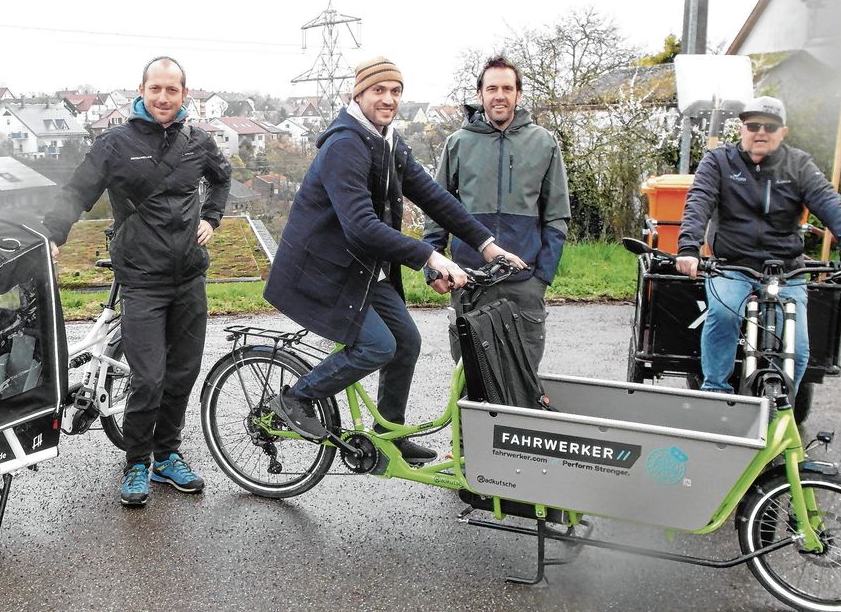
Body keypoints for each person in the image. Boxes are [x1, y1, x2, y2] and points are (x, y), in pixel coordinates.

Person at [263, 56, 526, 464]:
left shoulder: (385, 139)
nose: (388, 99)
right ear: (359, 94)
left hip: (361, 269)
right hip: (324, 270)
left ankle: (388, 433)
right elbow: (361, 227)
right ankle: (296, 397)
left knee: (408, 341)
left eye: (395, 91)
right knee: (377, 346)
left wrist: (488, 245)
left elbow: (434, 197)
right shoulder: (345, 144)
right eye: (379, 90)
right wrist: (429, 257)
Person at [44, 56, 232, 507]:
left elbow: (222, 179)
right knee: (149, 377)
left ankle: (167, 456)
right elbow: (77, 192)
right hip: (143, 279)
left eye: (173, 90)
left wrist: (212, 217)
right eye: (156, 89)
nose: (164, 98)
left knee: (182, 373)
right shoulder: (115, 143)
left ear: (185, 94)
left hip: (189, 275)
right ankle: (136, 462)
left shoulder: (199, 141)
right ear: (142, 91)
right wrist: (53, 234)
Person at [675, 95, 841, 398]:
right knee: (724, 316)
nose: (760, 132)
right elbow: (699, 202)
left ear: (783, 132)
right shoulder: (718, 161)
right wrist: (688, 248)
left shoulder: (799, 165)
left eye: (769, 126)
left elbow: (830, 204)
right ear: (741, 128)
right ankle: (714, 394)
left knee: (797, 350)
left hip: (786, 270)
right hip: (733, 265)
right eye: (753, 125)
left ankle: (782, 409)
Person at [424, 55, 570, 374]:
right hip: (469, 281)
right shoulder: (458, 144)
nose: (499, 95)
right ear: (480, 95)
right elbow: (435, 207)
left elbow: (557, 217)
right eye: (492, 88)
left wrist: (541, 278)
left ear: (519, 94)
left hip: (524, 284)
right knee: (471, 384)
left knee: (522, 381)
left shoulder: (544, 143)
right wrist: (433, 267)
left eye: (507, 88)